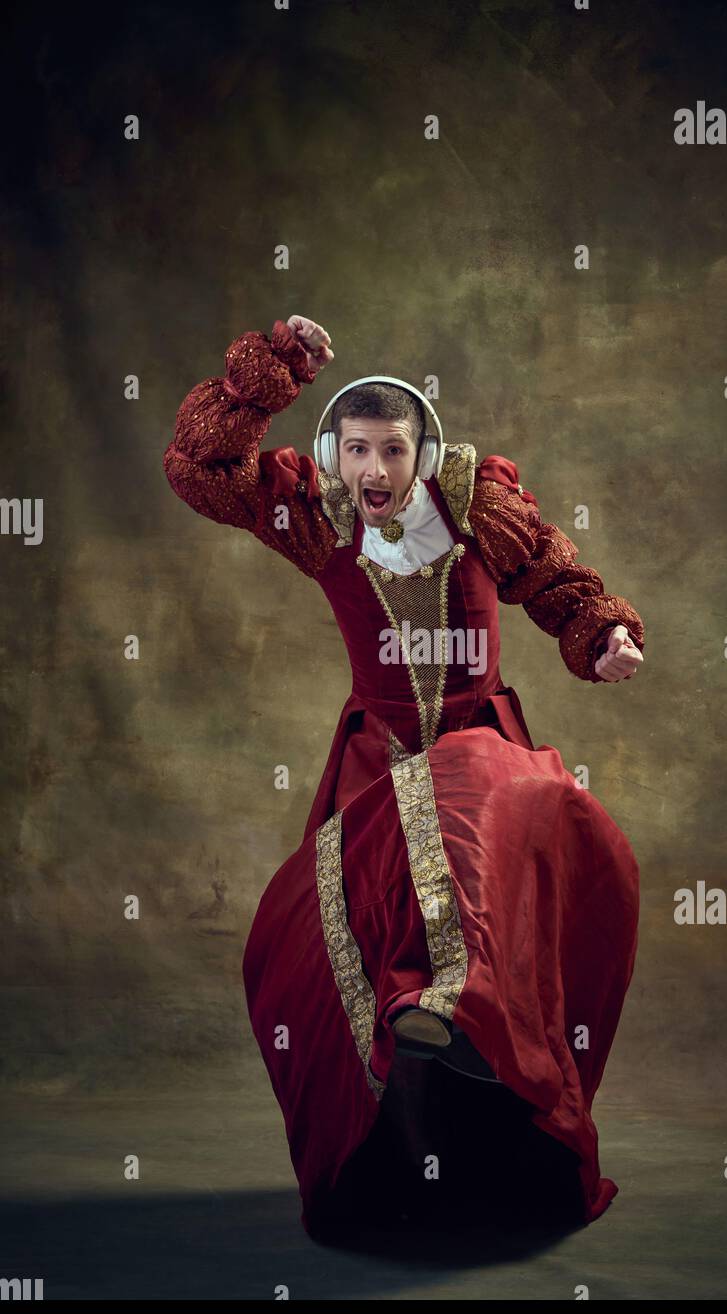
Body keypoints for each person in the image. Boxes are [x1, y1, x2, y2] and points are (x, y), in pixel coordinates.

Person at [163, 313, 646, 1240]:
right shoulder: (317, 523)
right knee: (310, 951)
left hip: (485, 749)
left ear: (421, 454)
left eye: (391, 450)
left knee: (466, 823)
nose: (373, 471)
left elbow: (554, 579)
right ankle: (412, 1177)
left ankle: (473, 1067)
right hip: (375, 762)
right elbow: (198, 467)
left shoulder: (477, 508)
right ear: (333, 456)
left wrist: (604, 635)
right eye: (355, 452)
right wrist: (270, 375)